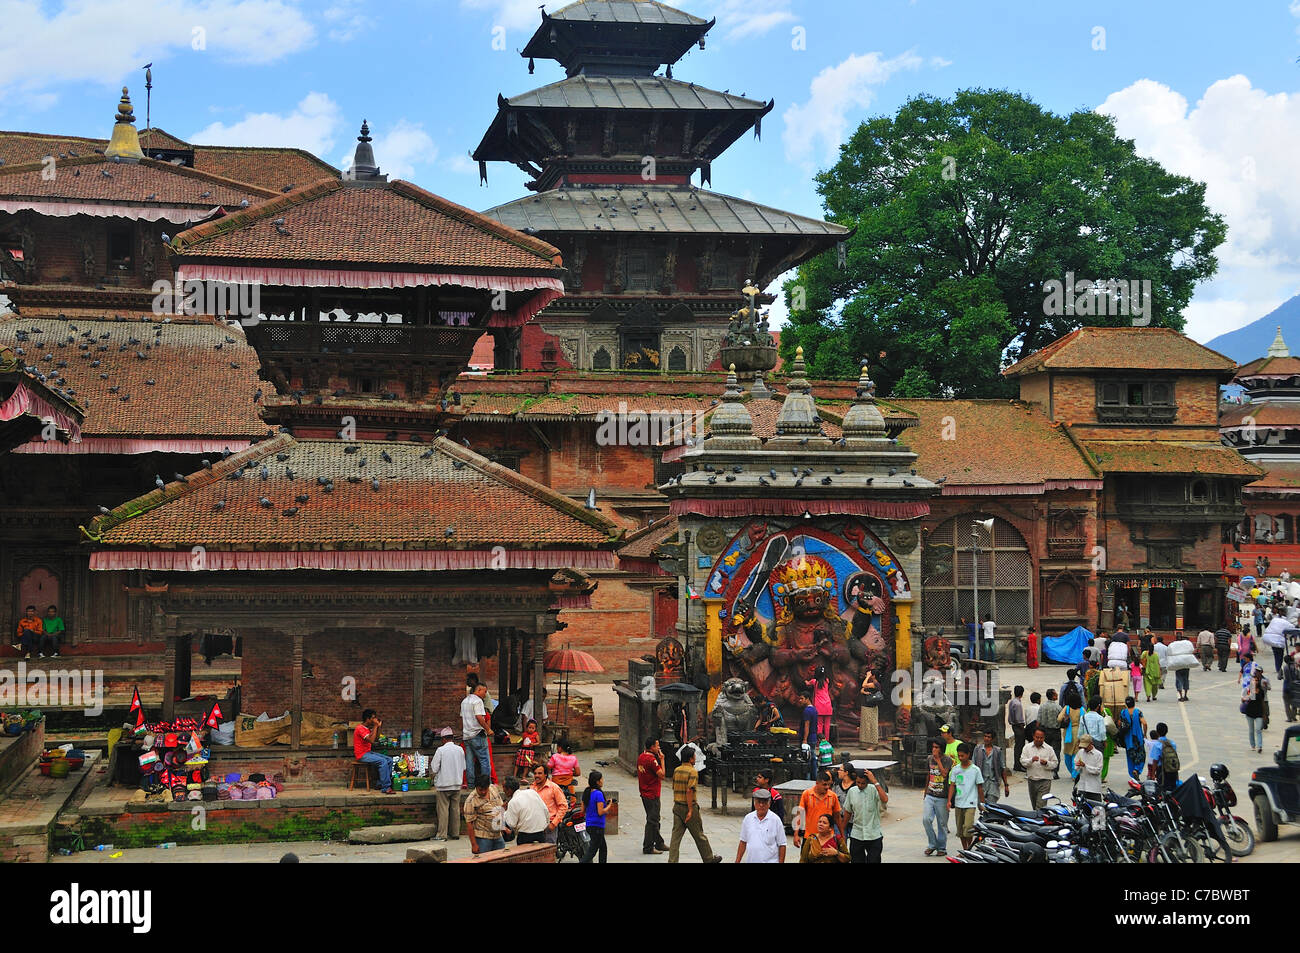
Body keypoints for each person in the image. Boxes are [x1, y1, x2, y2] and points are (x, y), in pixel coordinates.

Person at [668, 747, 721, 863]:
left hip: (677, 806)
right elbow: (689, 790)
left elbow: (674, 787)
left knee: (675, 838)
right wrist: (691, 810)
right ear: (691, 758)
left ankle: (672, 861)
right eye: (694, 756)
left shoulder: (676, 770)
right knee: (699, 835)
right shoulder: (692, 771)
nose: (695, 758)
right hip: (688, 806)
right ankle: (708, 859)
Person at [842, 766, 888, 863]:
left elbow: (885, 799)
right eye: (858, 782)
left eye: (863, 783)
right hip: (857, 834)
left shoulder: (873, 790)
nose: (860, 785)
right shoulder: (852, 791)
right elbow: (848, 812)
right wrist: (842, 830)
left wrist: (875, 781)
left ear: (868, 782)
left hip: (874, 834)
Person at [429, 729, 466, 841]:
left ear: (443, 739)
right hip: (457, 784)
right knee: (455, 809)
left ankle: (442, 835)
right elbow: (464, 767)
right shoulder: (460, 749)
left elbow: (434, 768)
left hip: (443, 785)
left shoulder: (441, 750)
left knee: (443, 810)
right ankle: (455, 833)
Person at [947, 743, 984, 850]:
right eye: (959, 756)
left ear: (968, 755)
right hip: (959, 803)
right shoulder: (955, 770)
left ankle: (969, 848)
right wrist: (949, 801)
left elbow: (980, 787)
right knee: (960, 830)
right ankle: (965, 850)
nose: (960, 758)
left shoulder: (975, 770)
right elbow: (952, 786)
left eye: (962, 755)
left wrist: (982, 803)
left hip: (970, 803)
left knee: (968, 827)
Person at [735, 788, 786, 864]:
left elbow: (782, 844)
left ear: (769, 803)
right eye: (759, 802)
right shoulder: (748, 818)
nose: (761, 805)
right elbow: (743, 842)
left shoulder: (775, 820)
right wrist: (737, 861)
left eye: (764, 802)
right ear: (754, 803)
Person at [796, 768, 843, 849]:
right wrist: (796, 834)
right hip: (810, 837)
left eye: (829, 784)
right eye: (824, 784)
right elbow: (799, 815)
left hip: (828, 838)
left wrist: (842, 836)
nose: (827, 787)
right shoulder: (807, 794)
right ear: (817, 783)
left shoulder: (833, 796)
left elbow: (837, 817)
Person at [637, 737, 668, 855]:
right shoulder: (652, 760)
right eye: (657, 745)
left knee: (654, 819)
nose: (658, 747)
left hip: (644, 792)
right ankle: (648, 847)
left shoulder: (641, 757)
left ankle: (659, 842)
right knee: (652, 820)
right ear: (651, 747)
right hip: (652, 793)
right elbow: (662, 775)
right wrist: (662, 760)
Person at [920, 741, 952, 857]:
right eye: (933, 747)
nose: (934, 749)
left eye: (936, 747)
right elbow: (928, 774)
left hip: (942, 796)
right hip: (930, 794)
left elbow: (944, 774)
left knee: (942, 823)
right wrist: (925, 791)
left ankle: (942, 847)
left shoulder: (947, 760)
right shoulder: (929, 759)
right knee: (926, 819)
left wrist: (938, 760)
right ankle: (932, 844)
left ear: (941, 749)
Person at [353, 709, 395, 794]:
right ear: (367, 719)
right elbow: (371, 740)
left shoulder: (367, 729)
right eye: (373, 718)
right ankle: (386, 787)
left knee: (389, 760)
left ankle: (380, 784)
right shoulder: (359, 728)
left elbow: (376, 738)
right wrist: (375, 726)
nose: (374, 719)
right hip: (362, 755)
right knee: (383, 761)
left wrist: (378, 727)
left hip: (368, 752)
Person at [502, 775, 550, 846]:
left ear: (509, 790)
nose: (503, 790)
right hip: (541, 833)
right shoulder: (532, 792)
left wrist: (504, 812)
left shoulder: (513, 802)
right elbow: (545, 810)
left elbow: (512, 824)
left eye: (504, 787)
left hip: (525, 836)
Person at [579, 770, 615, 862]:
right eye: (601, 779)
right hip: (597, 826)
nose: (602, 781)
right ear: (597, 782)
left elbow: (582, 810)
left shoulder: (587, 792)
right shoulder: (598, 794)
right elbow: (600, 812)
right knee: (592, 851)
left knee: (603, 848)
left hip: (589, 824)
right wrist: (609, 806)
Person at [460, 682, 491, 790]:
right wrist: (488, 729)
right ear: (478, 690)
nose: (485, 694)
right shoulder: (478, 701)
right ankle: (487, 785)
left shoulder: (464, 701)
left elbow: (462, 718)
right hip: (477, 734)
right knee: (484, 761)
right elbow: (479, 716)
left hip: (467, 735)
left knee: (469, 762)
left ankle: (471, 785)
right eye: (484, 691)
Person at [463, 776, 505, 854]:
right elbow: (469, 824)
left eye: (485, 789)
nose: (483, 792)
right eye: (480, 790)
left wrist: (503, 827)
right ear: (476, 788)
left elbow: (500, 809)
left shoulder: (493, 789)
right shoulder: (470, 800)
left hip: (498, 835)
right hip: (483, 838)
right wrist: (474, 844)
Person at [1020, 727, 1058, 810]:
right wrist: (1031, 760)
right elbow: (1022, 762)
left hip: (1045, 781)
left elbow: (1055, 763)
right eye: (1037, 737)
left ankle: (1039, 819)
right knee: (1034, 805)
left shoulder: (1049, 749)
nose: (1039, 739)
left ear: (1044, 738)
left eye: (1041, 738)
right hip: (1032, 780)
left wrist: (1047, 763)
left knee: (1040, 806)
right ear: (1033, 736)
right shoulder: (1027, 748)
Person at [532, 763, 567, 845]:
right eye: (535, 773)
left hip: (549, 826)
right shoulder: (531, 788)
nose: (537, 775)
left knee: (549, 853)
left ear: (545, 774)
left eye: (540, 773)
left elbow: (563, 806)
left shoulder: (554, 787)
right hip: (535, 826)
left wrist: (553, 823)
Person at [973, 729, 1010, 804]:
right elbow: (973, 767)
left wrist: (1006, 785)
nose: (986, 739)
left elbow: (1002, 768)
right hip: (981, 783)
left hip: (993, 783)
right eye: (985, 736)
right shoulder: (978, 749)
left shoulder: (997, 751)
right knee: (981, 806)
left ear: (993, 739)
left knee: (991, 806)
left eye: (989, 737)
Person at [1117, 696, 1148, 781]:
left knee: (1130, 757)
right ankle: (1137, 769)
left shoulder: (1123, 712)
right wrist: (1145, 734)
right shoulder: (1138, 712)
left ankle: (1132, 775)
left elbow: (1119, 724)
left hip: (1128, 739)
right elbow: (1144, 723)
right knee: (1141, 756)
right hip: (1138, 738)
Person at [1037, 689, 1063, 779]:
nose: (1057, 695)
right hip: (1055, 731)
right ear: (1053, 696)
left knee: (1045, 751)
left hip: (1045, 731)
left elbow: (1038, 721)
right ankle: (1054, 771)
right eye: (1056, 694)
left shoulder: (1042, 706)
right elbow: (1062, 719)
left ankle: (1045, 769)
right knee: (1056, 752)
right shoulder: (1058, 707)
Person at [1243, 668, 1269, 754]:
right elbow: (1243, 698)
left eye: (1257, 680)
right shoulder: (1248, 690)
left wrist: (1264, 714)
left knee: (1258, 729)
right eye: (1254, 680)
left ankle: (1260, 746)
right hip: (1250, 712)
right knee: (1251, 730)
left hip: (1259, 712)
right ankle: (1253, 745)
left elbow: (1263, 702)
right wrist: (1246, 697)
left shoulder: (1261, 690)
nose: (1255, 682)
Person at [1057, 694, 1083, 779]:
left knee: (1068, 753)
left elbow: (1059, 718)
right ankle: (1075, 773)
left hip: (1068, 732)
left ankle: (1072, 772)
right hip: (1078, 732)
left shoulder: (1067, 708)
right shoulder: (1081, 709)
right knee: (1076, 753)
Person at [806, 665, 833, 745]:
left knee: (819, 725)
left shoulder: (814, 682)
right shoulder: (827, 681)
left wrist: (805, 681)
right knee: (827, 725)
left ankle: (819, 742)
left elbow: (807, 684)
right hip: (828, 705)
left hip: (819, 705)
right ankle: (827, 742)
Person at [1074, 734, 1104, 801]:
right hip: (1082, 787)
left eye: (1086, 746)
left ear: (1091, 743)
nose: (1084, 748)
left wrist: (1085, 766)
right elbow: (1076, 767)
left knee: (1096, 809)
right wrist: (1078, 765)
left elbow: (1098, 771)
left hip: (1094, 788)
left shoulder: (1098, 754)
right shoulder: (1080, 752)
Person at [798, 690, 820, 781]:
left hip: (808, 738)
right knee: (813, 758)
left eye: (802, 699)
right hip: (813, 736)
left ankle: (808, 779)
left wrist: (804, 739)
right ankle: (814, 777)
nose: (800, 700)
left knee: (807, 759)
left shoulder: (807, 711)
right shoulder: (814, 709)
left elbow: (807, 726)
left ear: (807, 699)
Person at [1152, 723, 1179, 794]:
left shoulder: (1157, 745)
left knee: (1162, 790)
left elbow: (1155, 761)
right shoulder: (1172, 743)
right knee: (1173, 790)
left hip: (1162, 771)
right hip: (1172, 770)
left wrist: (1152, 774)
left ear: (1157, 732)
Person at [1009, 685, 1027, 770]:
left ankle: (1018, 764)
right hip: (1018, 726)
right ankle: (1018, 765)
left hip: (1014, 725)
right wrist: (1023, 728)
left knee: (1018, 746)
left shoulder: (1013, 701)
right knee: (1019, 746)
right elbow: (1018, 719)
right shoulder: (1018, 704)